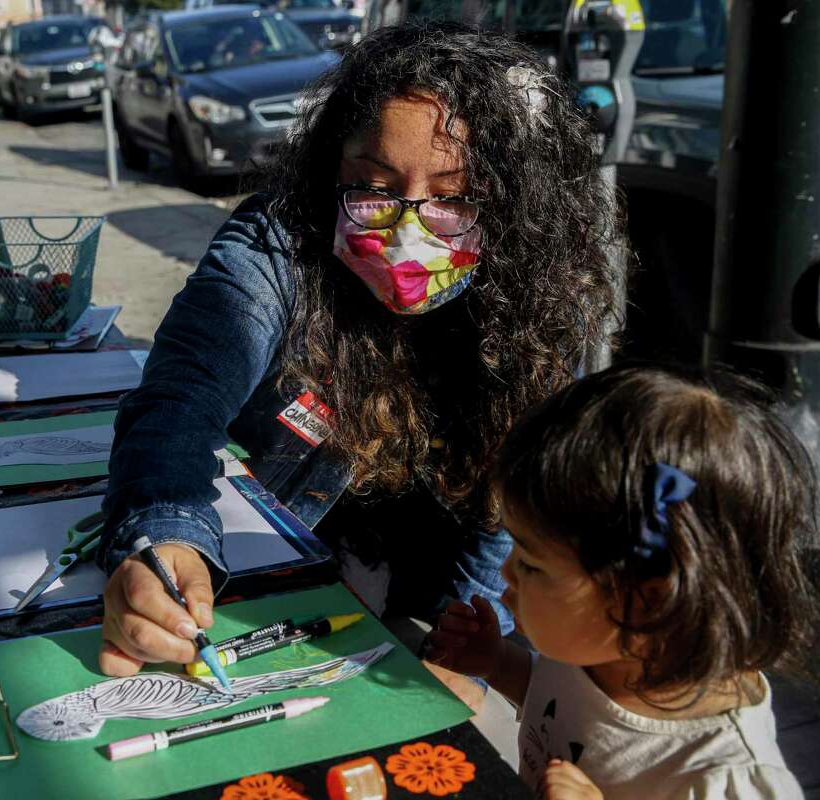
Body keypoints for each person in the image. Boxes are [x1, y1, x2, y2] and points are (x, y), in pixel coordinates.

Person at [92, 22, 618, 684]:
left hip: (437, 580)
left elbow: (517, 495)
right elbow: (179, 399)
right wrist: (164, 538)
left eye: (453, 197)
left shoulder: (533, 287)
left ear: (511, 204)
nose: (408, 229)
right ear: (331, 169)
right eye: (374, 187)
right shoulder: (275, 247)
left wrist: (473, 647)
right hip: (292, 569)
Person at [427, 363, 820, 799]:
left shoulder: (724, 778)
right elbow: (561, 704)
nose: (505, 572)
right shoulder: (596, 646)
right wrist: (498, 663)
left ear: (647, 602)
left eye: (531, 563)